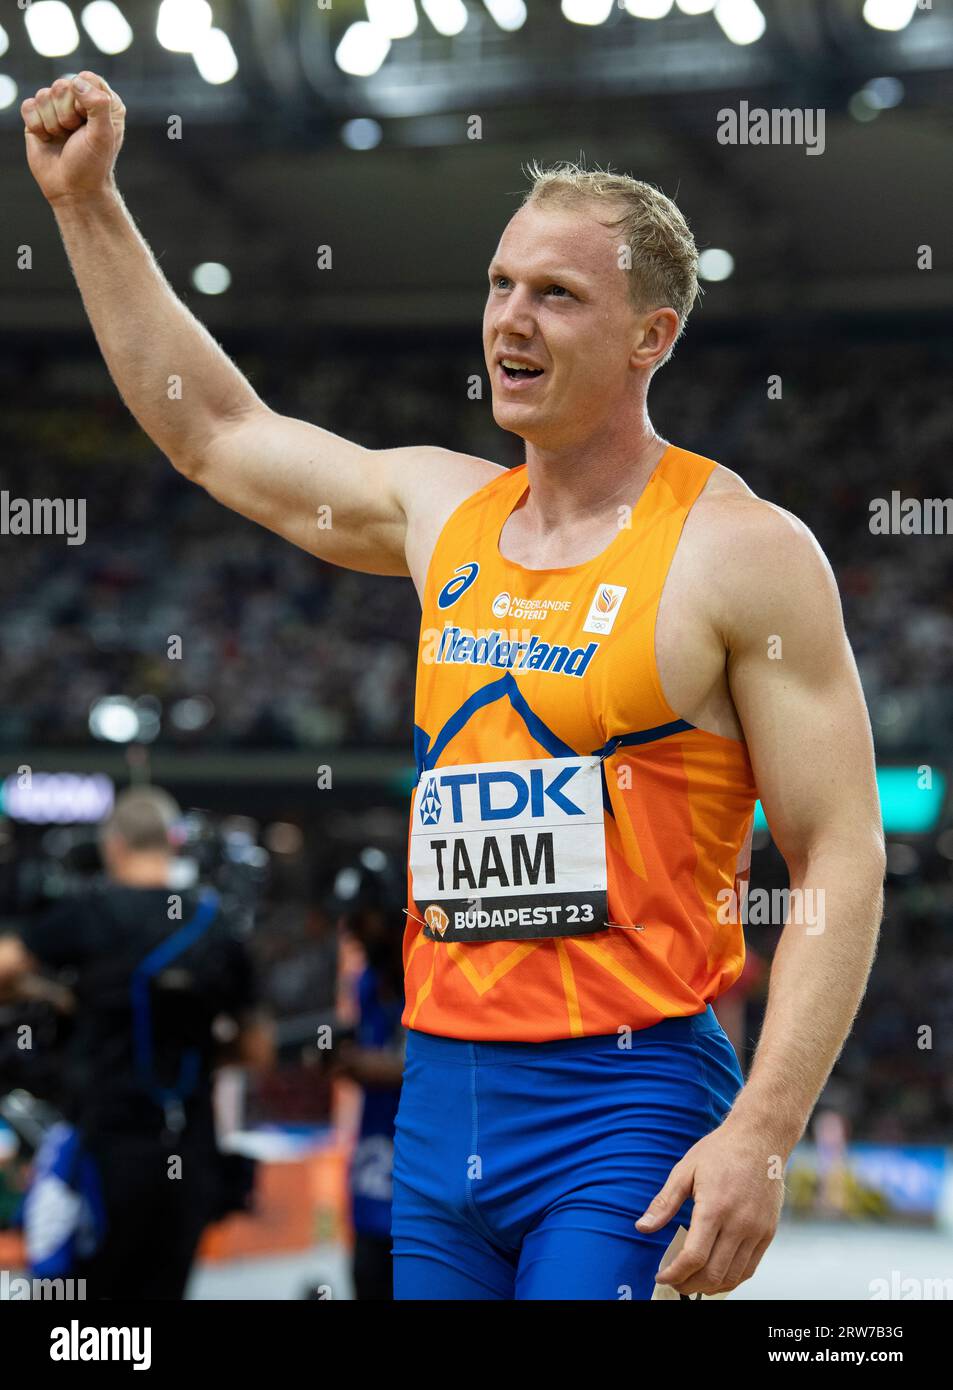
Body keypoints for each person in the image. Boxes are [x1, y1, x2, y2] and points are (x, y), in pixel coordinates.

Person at [19, 74, 885, 1299]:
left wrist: (764, 1127)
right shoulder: (439, 510)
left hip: (623, 1102)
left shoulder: (739, 553)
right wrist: (88, 203)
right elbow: (212, 432)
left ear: (651, 335)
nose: (509, 321)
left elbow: (839, 849)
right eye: (498, 285)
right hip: (438, 1098)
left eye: (556, 294)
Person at [0, 787, 274, 1299]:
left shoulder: (92, 912)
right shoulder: (216, 926)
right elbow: (257, 1048)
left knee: (92, 1306)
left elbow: (6, 968)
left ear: (114, 845)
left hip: (108, 1147)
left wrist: (58, 995)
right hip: (189, 1152)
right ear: (173, 845)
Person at [324, 849, 405, 1301]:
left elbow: (419, 1067)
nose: (353, 931)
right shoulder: (366, 984)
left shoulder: (427, 976)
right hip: (371, 1177)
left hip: (421, 1182)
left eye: (363, 918)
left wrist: (362, 1064)